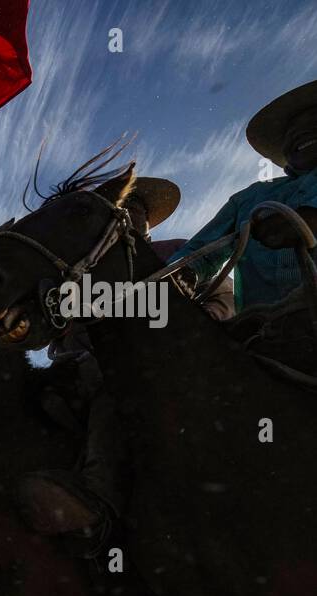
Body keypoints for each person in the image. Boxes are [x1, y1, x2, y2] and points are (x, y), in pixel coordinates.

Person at [20, 177, 231, 541]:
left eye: (134, 209)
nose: (125, 215)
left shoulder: (177, 253)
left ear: (148, 220)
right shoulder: (72, 273)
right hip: (73, 370)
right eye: (118, 208)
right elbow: (48, 333)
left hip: (160, 366)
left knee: (112, 382)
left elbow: (222, 302)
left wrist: (196, 321)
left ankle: (99, 500)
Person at [169, 78, 317, 310]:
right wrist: (182, 272)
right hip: (259, 332)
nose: (301, 134)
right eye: (292, 131)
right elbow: (202, 253)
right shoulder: (250, 198)